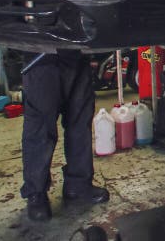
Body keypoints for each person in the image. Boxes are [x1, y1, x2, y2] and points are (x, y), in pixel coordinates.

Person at [20, 50, 109, 222]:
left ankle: (78, 185)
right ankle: (36, 193)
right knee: (41, 127)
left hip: (77, 53)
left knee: (80, 121)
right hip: (41, 55)